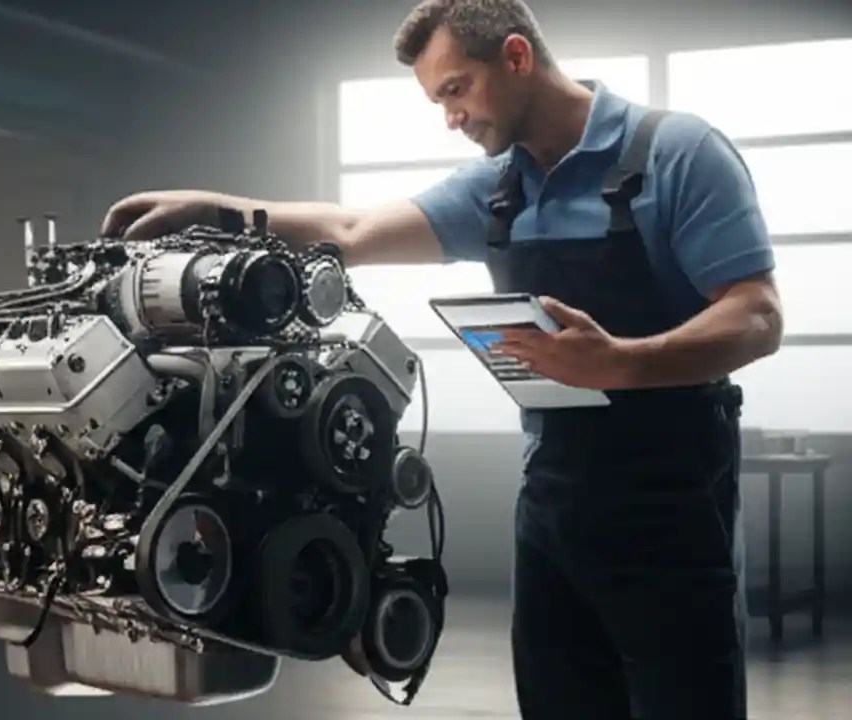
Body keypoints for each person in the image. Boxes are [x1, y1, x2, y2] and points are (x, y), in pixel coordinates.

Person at [101, 1, 782, 718]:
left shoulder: (678, 153)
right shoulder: (497, 188)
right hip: (553, 495)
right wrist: (217, 211)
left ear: (517, 57)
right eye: (438, 100)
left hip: (673, 498)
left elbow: (758, 314)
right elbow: (352, 229)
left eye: (457, 89)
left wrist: (619, 362)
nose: (450, 117)